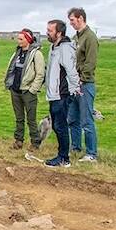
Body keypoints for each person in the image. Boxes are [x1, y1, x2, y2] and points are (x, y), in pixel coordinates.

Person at [43, 19, 81, 168]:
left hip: (62, 94)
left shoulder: (65, 48)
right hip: (53, 94)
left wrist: (74, 90)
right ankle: (61, 155)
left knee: (60, 126)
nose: (47, 32)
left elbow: (71, 71)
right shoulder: (54, 47)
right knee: (57, 126)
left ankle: (64, 158)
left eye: (50, 30)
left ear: (59, 33)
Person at [4, 28, 45, 150]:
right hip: (15, 90)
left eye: (21, 39)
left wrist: (33, 89)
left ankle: (35, 142)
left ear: (28, 39)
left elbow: (40, 74)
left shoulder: (37, 54)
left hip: (28, 91)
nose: (18, 41)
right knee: (19, 118)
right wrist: (10, 85)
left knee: (31, 119)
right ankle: (18, 141)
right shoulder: (17, 53)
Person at [68, 7, 99, 162]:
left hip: (85, 85)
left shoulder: (90, 37)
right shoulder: (77, 37)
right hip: (74, 84)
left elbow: (90, 62)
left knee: (86, 120)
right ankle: (75, 148)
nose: (71, 23)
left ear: (80, 18)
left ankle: (92, 153)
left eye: (72, 20)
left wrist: (82, 79)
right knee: (72, 118)